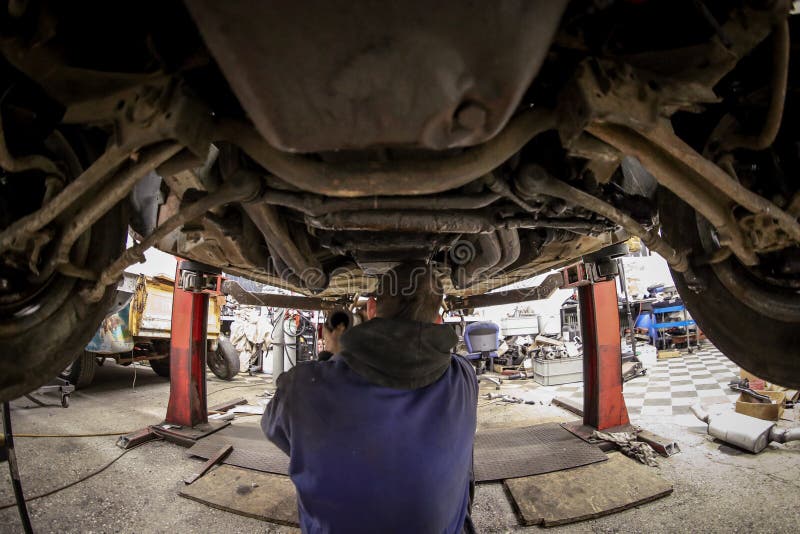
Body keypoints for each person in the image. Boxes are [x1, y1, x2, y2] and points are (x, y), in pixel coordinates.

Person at [262, 262, 478, 533]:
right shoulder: (465, 377)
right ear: (438, 320)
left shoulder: (302, 387)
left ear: (372, 309)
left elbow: (276, 430)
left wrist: (334, 354)